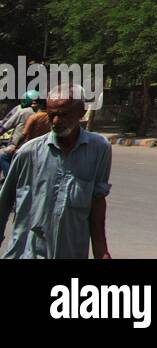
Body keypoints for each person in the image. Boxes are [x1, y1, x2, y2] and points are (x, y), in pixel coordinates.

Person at [0, 83, 112, 259]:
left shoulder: (99, 149)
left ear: (81, 113)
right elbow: (4, 202)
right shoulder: (28, 152)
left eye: (63, 115)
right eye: (51, 115)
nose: (56, 122)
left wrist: (102, 252)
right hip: (28, 253)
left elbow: (97, 202)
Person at [0, 91, 39, 180]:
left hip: (19, 146)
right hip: (34, 146)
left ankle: (9, 180)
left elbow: (5, 127)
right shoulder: (42, 113)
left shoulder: (23, 112)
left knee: (2, 156)